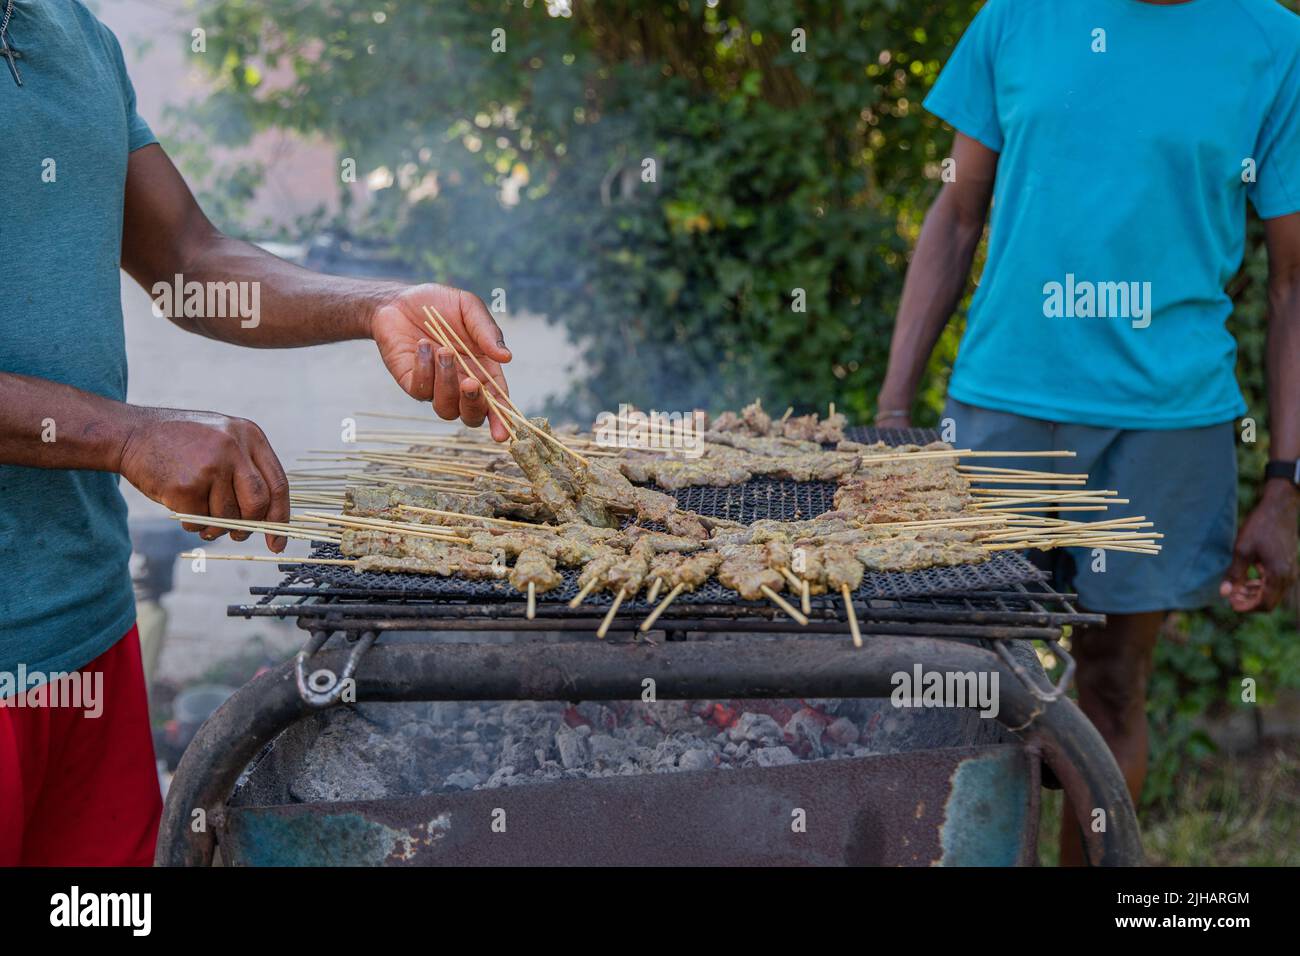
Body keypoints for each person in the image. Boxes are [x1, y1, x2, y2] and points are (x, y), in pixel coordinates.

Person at [0, 0, 512, 865]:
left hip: (85, 631)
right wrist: (122, 436)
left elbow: (190, 260)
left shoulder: (74, 35)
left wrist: (377, 304)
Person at [878, 0, 1300, 864]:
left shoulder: (1274, 41)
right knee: (959, 689)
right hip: (1003, 410)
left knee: (1109, 692)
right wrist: (891, 415)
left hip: (1167, 429)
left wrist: (1287, 481)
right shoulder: (1017, 17)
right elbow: (957, 216)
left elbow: (1295, 282)